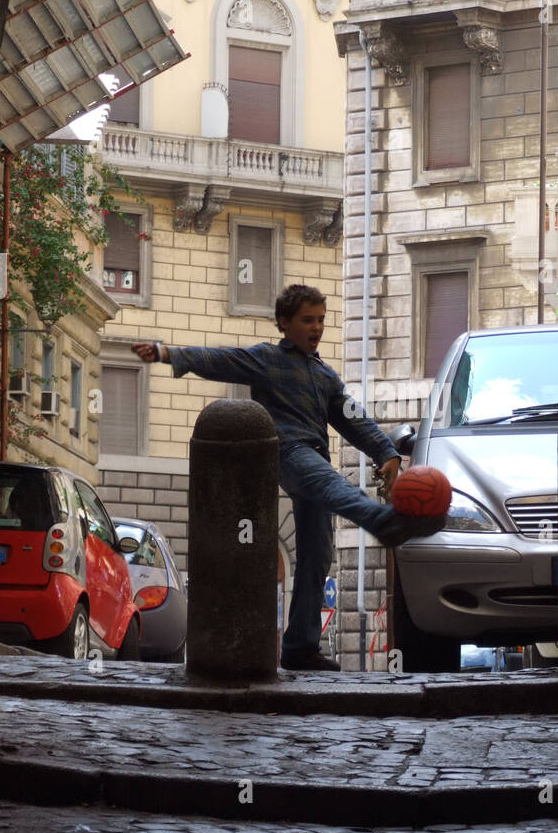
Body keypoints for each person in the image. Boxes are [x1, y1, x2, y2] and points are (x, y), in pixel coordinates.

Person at [131, 284, 444, 671]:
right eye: (307, 320)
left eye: (321, 320)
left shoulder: (325, 376)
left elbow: (353, 418)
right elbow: (220, 359)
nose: (317, 328)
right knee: (333, 484)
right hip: (286, 453)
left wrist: (386, 452)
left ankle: (300, 647)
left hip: (314, 455)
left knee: (316, 556)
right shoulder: (267, 359)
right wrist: (167, 353)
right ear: (284, 322)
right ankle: (383, 522)